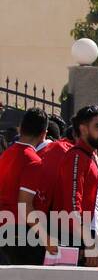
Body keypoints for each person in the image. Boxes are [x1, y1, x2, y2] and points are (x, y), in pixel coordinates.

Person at [35, 106, 98, 265]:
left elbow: (96, 201)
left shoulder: (92, 156)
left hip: (83, 236)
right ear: (83, 129)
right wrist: (89, 241)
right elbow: (74, 205)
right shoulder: (76, 157)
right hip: (71, 238)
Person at [0, 108, 49, 266]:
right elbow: (25, 205)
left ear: (21, 128)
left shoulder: (6, 154)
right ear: (44, 134)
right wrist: (46, 238)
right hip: (19, 234)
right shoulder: (33, 161)